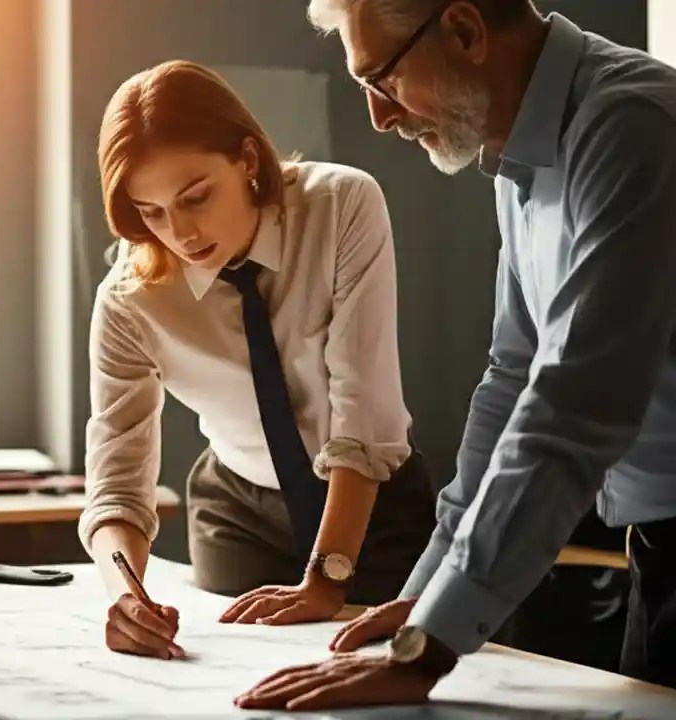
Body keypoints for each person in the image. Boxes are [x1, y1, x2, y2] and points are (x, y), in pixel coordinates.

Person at [237, 0, 676, 711]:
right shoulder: (521, 156)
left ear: (466, 30)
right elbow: (512, 381)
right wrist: (424, 601)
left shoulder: (632, 127)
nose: (379, 117)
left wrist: (428, 649)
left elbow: (571, 406)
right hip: (657, 547)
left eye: (380, 78)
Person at [78, 59, 435, 661]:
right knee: (230, 681)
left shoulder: (341, 205)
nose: (181, 233)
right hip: (238, 509)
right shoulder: (129, 298)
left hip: (370, 501)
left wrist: (326, 581)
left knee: (384, 678)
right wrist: (124, 594)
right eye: (152, 211)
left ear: (246, 160)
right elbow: (116, 482)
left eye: (195, 197)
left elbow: (363, 411)